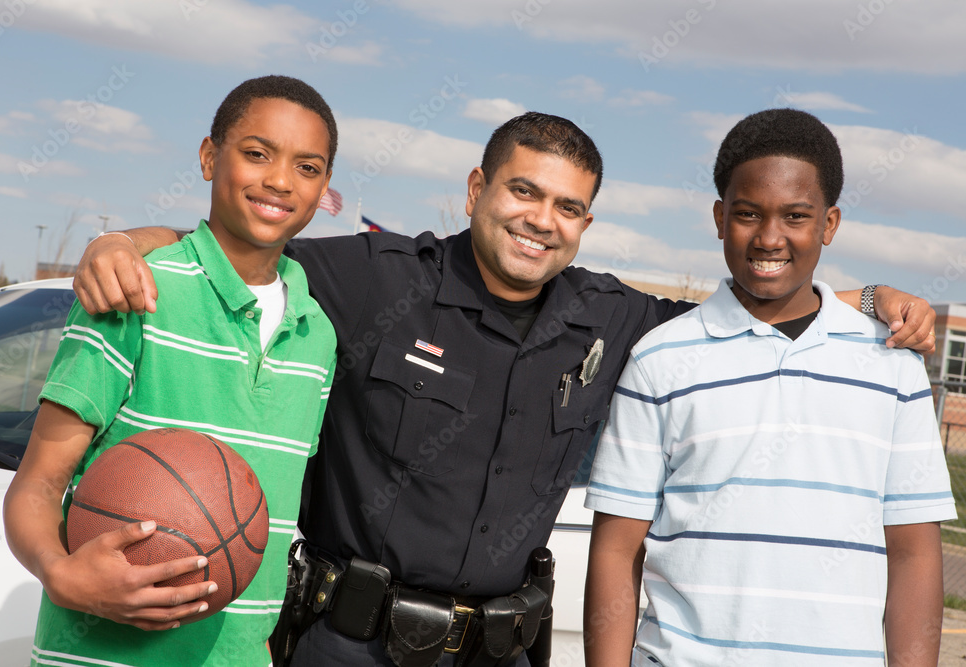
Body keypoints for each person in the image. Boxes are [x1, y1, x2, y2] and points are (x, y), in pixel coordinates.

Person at [72, 111, 937, 667]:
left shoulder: (613, 318)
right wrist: (131, 242)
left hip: (504, 650)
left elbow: (758, 286)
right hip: (350, 645)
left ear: (586, 223)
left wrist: (874, 299)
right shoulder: (374, 279)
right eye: (524, 191)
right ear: (479, 189)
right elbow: (248, 245)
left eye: (567, 206)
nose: (540, 219)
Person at [583, 108, 955, 667]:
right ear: (718, 217)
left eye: (795, 216)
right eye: (748, 213)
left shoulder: (892, 365)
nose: (769, 237)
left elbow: (913, 554)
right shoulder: (659, 359)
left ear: (829, 225)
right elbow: (615, 549)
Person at [4, 75, 338, 666]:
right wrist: (60, 574)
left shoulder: (317, 334)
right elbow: (38, 484)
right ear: (210, 157)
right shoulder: (134, 287)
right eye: (256, 154)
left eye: (307, 167)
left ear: (324, 186)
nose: (280, 181)